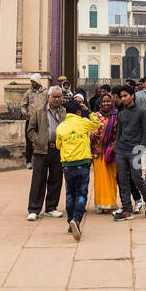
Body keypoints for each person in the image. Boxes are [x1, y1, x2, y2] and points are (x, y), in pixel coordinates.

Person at [55, 102, 102, 241]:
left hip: (67, 165)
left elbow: (58, 145)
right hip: (82, 164)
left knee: (70, 193)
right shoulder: (84, 122)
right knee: (82, 194)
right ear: (79, 111)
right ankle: (76, 219)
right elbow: (97, 123)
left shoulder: (61, 127)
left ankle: (71, 223)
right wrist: (89, 111)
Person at [112, 85, 146, 221]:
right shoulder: (121, 113)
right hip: (121, 151)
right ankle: (126, 209)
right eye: (122, 96)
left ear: (132, 96)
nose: (123, 98)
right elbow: (119, 132)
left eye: (125, 96)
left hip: (135, 151)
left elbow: (145, 133)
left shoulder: (141, 112)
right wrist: (117, 147)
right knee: (123, 181)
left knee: (136, 178)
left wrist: (140, 149)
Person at [26, 86, 67, 221]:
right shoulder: (38, 112)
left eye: (58, 97)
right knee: (38, 180)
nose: (56, 99)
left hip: (58, 150)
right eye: (54, 96)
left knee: (56, 180)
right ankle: (34, 209)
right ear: (48, 97)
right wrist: (38, 140)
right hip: (41, 150)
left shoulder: (64, 112)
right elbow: (30, 130)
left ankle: (51, 207)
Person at [90, 90, 120, 214]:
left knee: (112, 178)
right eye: (104, 101)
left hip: (112, 151)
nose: (106, 103)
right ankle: (101, 204)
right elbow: (91, 131)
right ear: (100, 103)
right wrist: (96, 133)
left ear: (112, 102)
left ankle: (111, 203)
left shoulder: (117, 115)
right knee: (100, 178)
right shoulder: (95, 116)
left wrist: (114, 145)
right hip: (99, 152)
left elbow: (119, 131)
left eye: (108, 101)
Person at [18, 75, 49, 169]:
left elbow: (48, 104)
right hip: (30, 119)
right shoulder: (28, 92)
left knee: (42, 140)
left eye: (34, 82)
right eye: (31, 82)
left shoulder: (45, 92)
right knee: (29, 141)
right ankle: (28, 161)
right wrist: (25, 112)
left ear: (38, 82)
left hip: (42, 120)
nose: (32, 83)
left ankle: (41, 160)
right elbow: (22, 105)